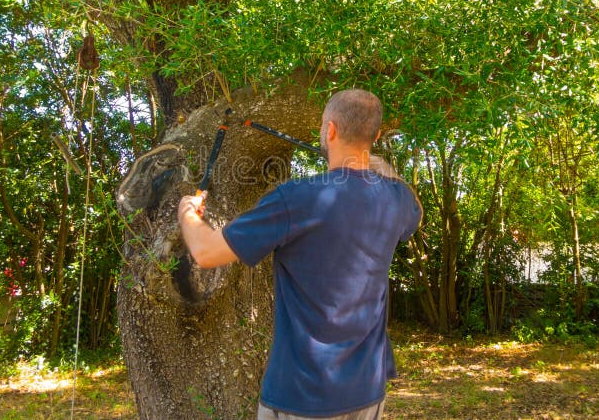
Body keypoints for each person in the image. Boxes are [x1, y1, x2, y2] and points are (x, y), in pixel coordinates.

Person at [178, 89, 422, 420]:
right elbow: (416, 211)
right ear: (375, 136)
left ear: (330, 130)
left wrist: (187, 214)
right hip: (367, 394)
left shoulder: (297, 198)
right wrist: (385, 169)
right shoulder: (395, 198)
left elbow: (205, 252)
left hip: (301, 400)